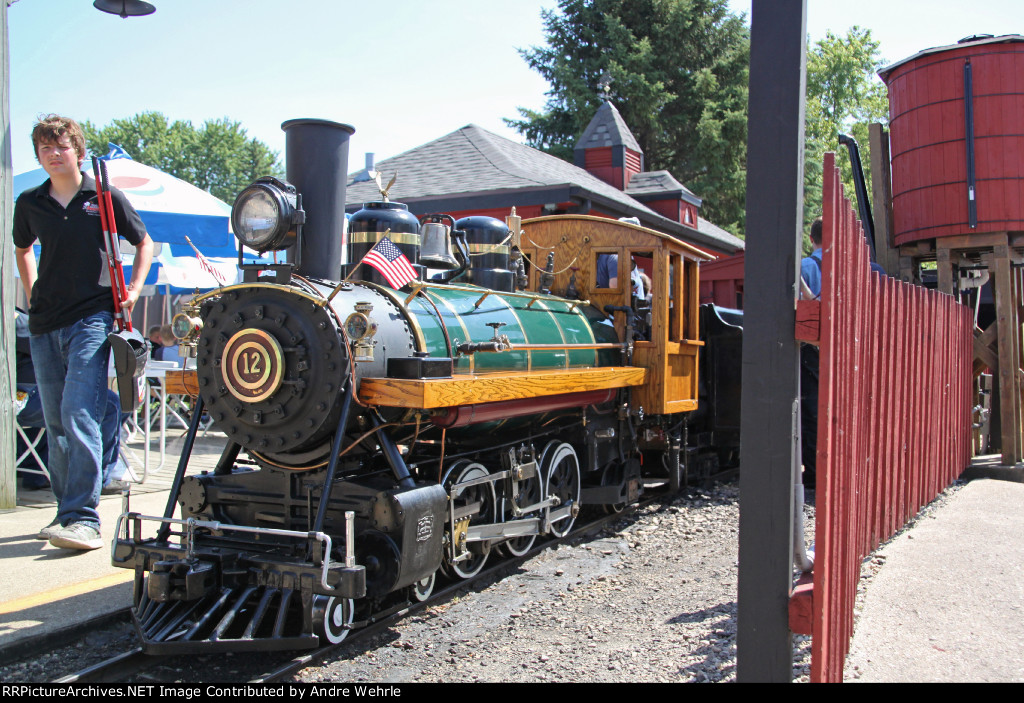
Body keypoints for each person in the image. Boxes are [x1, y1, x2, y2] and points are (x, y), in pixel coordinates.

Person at [13, 115, 153, 551]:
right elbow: (22, 249)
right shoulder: (30, 202)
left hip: (93, 316)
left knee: (77, 412)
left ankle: (83, 518)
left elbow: (144, 241)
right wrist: (32, 292)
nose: (53, 154)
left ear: (76, 149)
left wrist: (132, 289)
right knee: (54, 421)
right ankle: (66, 512)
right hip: (43, 322)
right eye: (45, 149)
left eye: (61, 146)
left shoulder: (103, 195)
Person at [15, 308, 130, 495]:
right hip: (21, 399)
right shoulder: (14, 317)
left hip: (22, 395)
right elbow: (54, 345)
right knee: (111, 404)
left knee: (55, 407)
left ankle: (36, 474)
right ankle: (100, 479)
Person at [799, 218, 823, 490]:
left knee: (810, 410)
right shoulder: (850, 268)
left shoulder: (804, 268)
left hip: (809, 349)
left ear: (811, 238)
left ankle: (814, 471)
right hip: (843, 347)